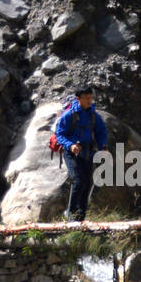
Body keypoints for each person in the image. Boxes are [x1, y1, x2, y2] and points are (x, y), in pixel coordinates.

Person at [54, 86, 108, 222]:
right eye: (87, 98)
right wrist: (70, 145)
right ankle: (71, 216)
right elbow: (59, 134)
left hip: (87, 152)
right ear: (78, 99)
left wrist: (103, 146)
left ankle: (80, 217)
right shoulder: (69, 115)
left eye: (91, 97)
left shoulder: (93, 115)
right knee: (78, 181)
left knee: (87, 183)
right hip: (71, 153)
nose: (90, 101)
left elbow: (101, 131)